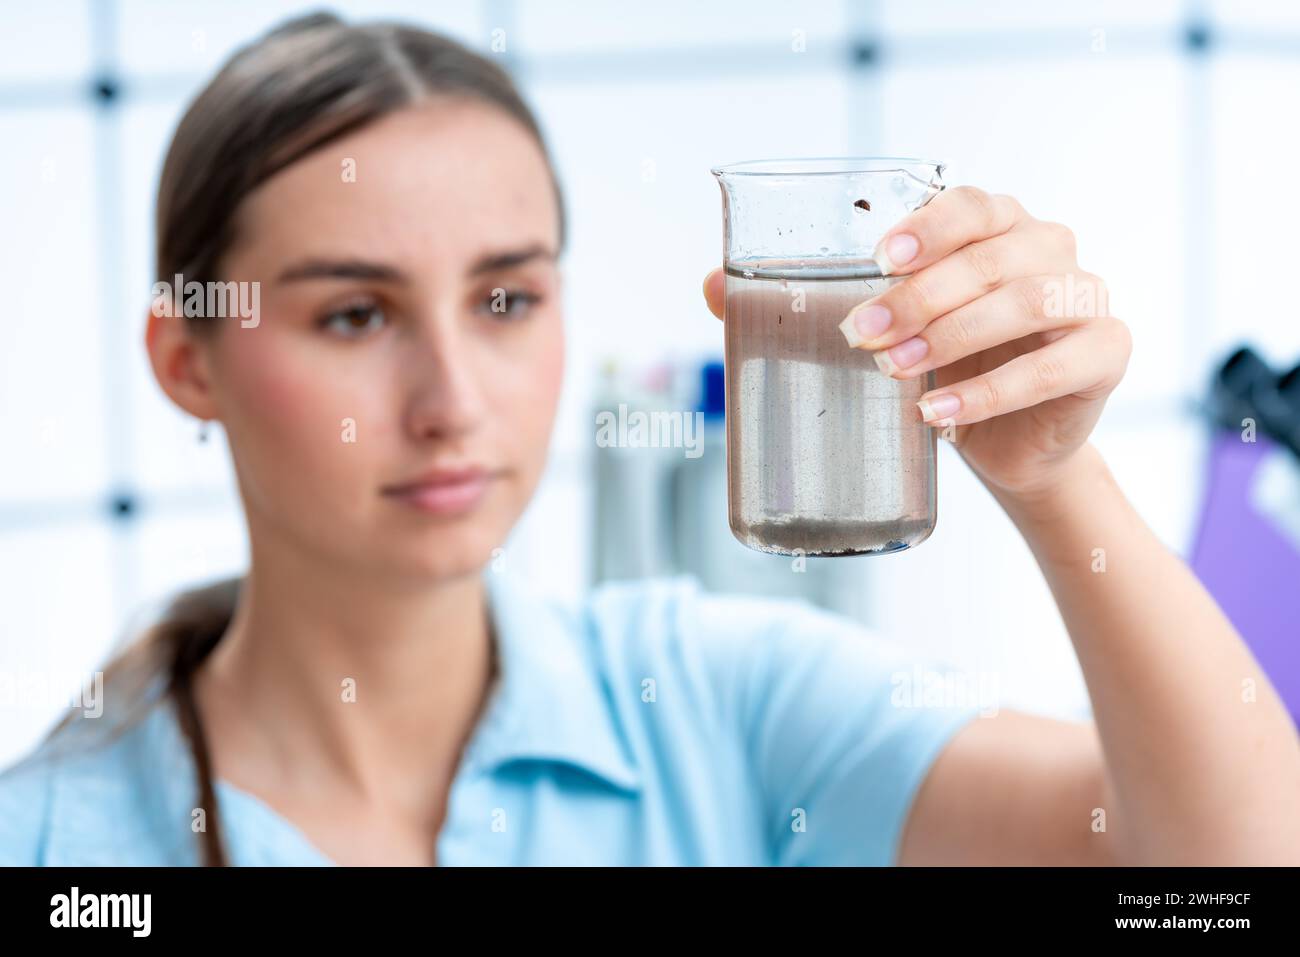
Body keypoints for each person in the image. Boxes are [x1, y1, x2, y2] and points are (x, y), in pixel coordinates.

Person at [1, 12, 1296, 867]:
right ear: (188, 357)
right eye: (353, 312)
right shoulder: (60, 844)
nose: (451, 393)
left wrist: (1056, 479)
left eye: (506, 298)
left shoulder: (720, 705)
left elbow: (1221, 865)